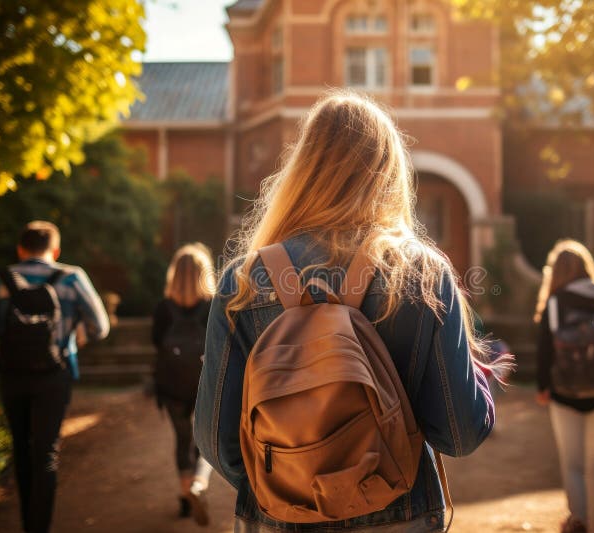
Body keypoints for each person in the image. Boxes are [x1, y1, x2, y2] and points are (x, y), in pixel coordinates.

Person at [194, 91, 504, 532]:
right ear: (388, 173)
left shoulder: (243, 283)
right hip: (401, 514)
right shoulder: (420, 274)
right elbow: (459, 433)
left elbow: (217, 442)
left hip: (280, 518)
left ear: (302, 169)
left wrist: (294, 478)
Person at [0, 220, 110, 533]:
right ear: (55, 250)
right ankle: (39, 527)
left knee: (21, 447)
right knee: (46, 451)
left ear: (21, 249)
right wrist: (75, 336)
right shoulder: (72, 277)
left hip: (12, 374)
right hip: (55, 375)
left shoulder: (1, 279)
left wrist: (2, 332)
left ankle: (25, 523)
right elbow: (100, 325)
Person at [534, 239, 594, 533]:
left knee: (572, 464)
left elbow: (544, 350)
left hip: (565, 394)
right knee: (591, 464)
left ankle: (579, 523)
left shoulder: (554, 302)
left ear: (557, 272)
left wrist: (542, 388)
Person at [152, 243, 215, 526]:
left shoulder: (164, 308)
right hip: (204, 384)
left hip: (171, 385)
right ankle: (198, 485)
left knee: (181, 440)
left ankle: (183, 494)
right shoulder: (212, 305)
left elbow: (156, 343)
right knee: (203, 440)